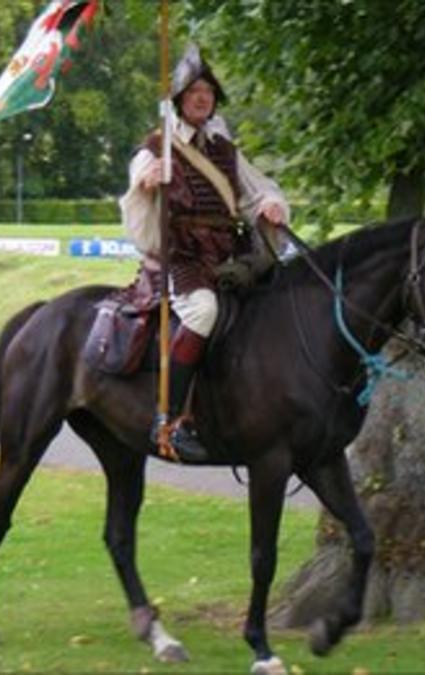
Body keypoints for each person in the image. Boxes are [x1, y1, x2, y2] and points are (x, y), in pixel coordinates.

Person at [119, 44, 290, 462]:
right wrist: (146, 183)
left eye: (208, 92)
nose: (202, 98)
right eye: (194, 91)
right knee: (203, 312)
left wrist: (270, 206)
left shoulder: (224, 149)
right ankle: (170, 419)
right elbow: (138, 179)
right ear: (179, 99)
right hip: (181, 258)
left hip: (227, 255)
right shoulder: (157, 145)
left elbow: (256, 189)